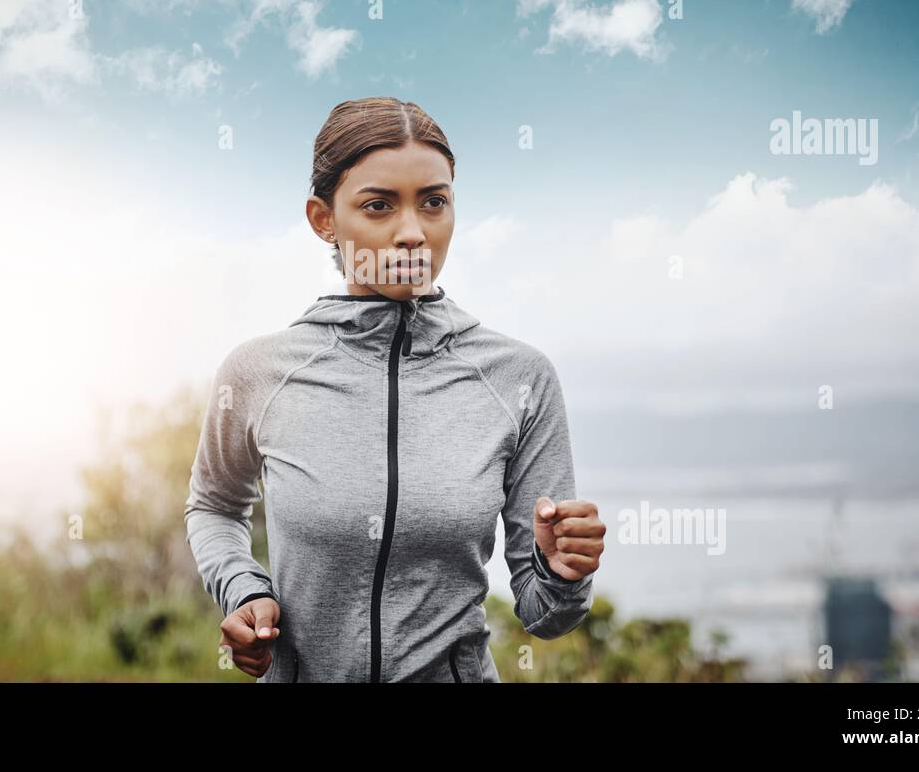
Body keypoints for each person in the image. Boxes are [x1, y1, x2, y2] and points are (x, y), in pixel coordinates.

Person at [183, 97, 605, 682]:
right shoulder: (258, 372)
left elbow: (544, 615)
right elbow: (214, 505)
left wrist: (561, 571)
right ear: (323, 219)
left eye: (434, 202)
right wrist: (243, 589)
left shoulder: (520, 378)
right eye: (379, 206)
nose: (413, 233)